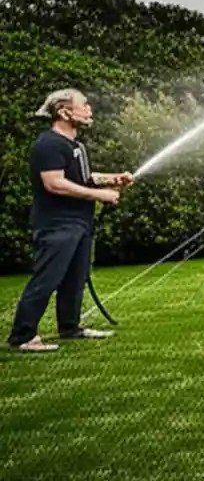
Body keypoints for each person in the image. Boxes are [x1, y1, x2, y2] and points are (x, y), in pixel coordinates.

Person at [7, 89, 134, 353]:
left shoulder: (76, 146)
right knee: (47, 278)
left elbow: (81, 178)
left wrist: (112, 179)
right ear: (64, 112)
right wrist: (100, 195)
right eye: (84, 105)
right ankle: (23, 336)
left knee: (76, 278)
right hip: (57, 223)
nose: (89, 110)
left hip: (80, 222)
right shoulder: (48, 144)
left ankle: (70, 327)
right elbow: (54, 184)